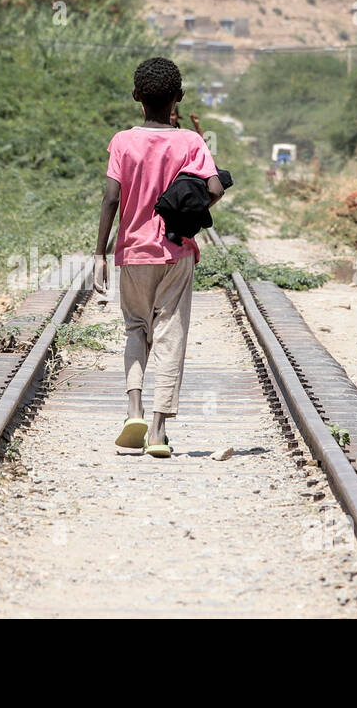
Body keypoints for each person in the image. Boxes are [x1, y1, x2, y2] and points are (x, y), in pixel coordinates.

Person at [94, 57, 224, 459]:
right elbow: (215, 188)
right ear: (178, 98)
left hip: (132, 253)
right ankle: (157, 431)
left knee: (136, 328)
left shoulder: (122, 141)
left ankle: (133, 410)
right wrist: (188, 208)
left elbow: (112, 196)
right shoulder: (190, 142)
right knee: (170, 334)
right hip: (176, 252)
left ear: (136, 97)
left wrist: (99, 252)